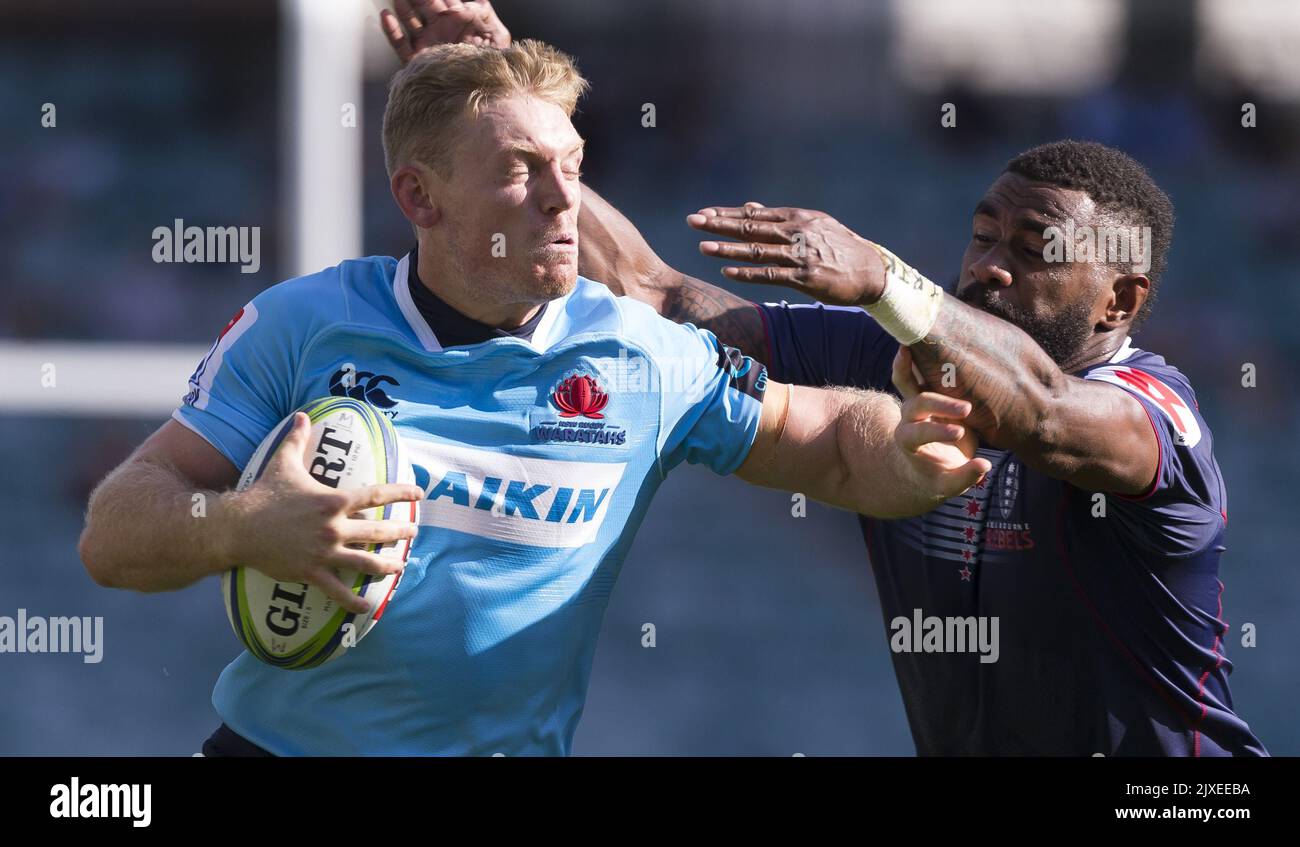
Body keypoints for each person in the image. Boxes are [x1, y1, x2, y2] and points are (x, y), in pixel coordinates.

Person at [387, 1, 1269, 756]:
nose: (990, 267)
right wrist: (504, 107)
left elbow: (1038, 408)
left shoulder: (1154, 416)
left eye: (1034, 251)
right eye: (983, 234)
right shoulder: (884, 359)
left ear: (1121, 300)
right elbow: (652, 293)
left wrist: (887, 277)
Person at [77, 37, 986, 756]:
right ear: (418, 197)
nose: (563, 201)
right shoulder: (302, 324)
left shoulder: (640, 354)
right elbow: (113, 533)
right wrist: (243, 525)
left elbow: (821, 437)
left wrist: (905, 448)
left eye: (574, 163)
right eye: (521, 168)